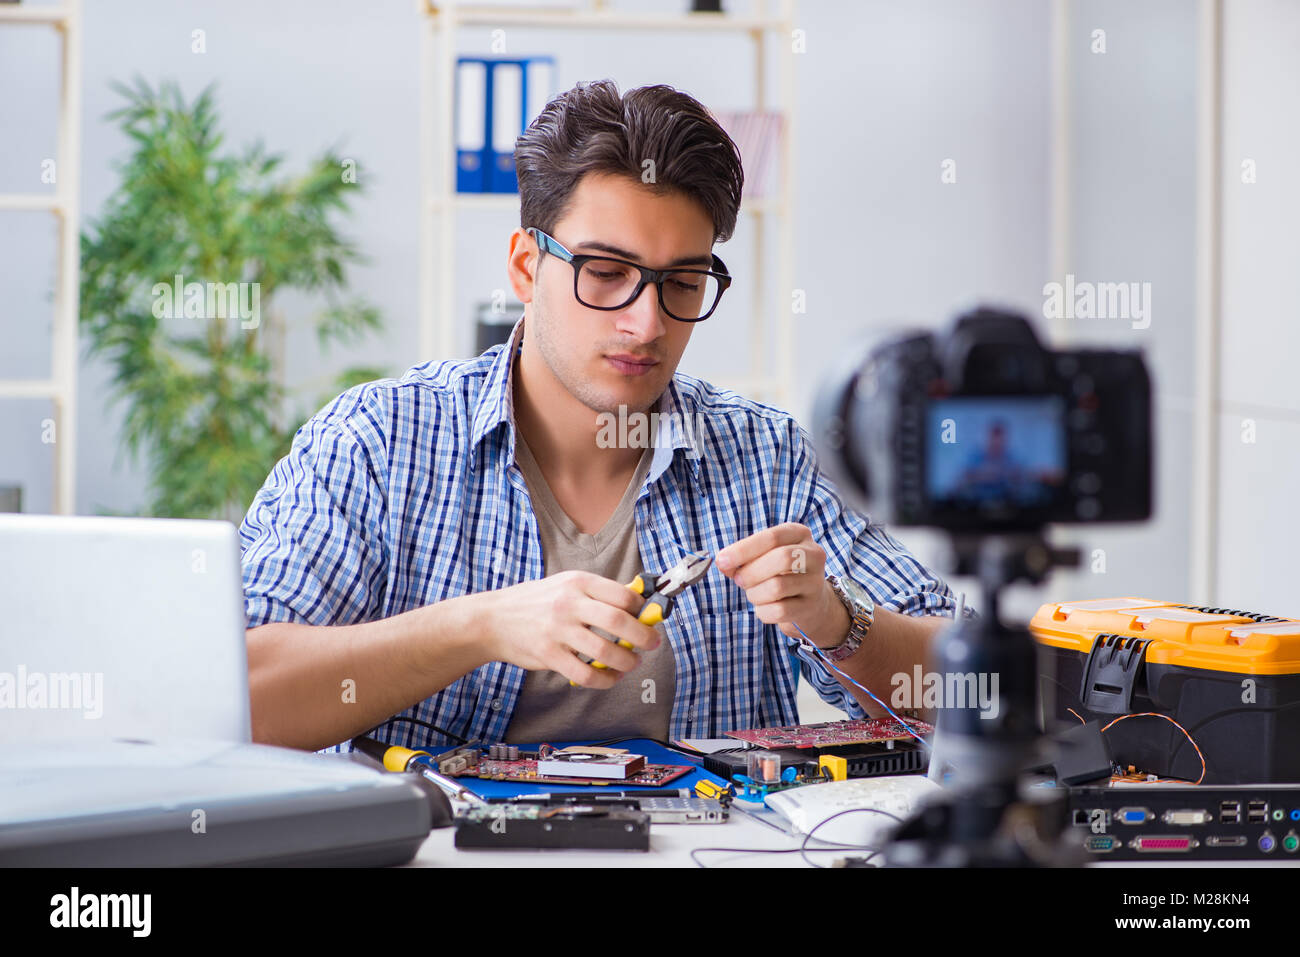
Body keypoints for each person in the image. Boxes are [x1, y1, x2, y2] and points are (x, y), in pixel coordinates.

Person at [239, 79, 963, 753]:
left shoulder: (764, 456)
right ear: (526, 267)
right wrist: (480, 625)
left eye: (682, 281)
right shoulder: (377, 441)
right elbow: (235, 697)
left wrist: (839, 623)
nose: (646, 323)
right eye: (606, 274)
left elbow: (969, 683)